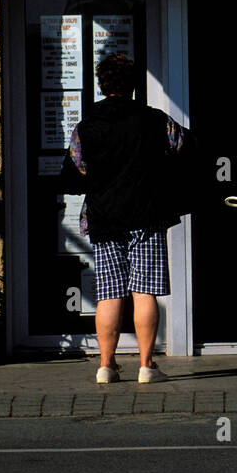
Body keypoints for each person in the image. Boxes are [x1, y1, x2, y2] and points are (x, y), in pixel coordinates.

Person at [67, 52, 187, 384]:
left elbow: (76, 168)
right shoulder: (155, 120)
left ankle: (106, 365)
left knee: (108, 292)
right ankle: (147, 366)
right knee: (144, 290)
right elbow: (183, 148)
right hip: (146, 213)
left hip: (104, 216)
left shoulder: (86, 126)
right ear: (134, 85)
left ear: (102, 85)